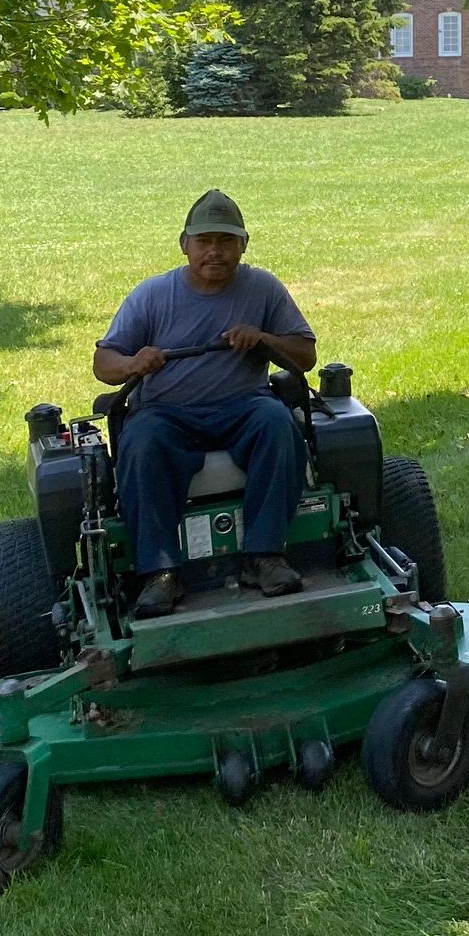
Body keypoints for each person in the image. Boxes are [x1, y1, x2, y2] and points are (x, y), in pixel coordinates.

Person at [94, 189, 318, 618]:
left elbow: (305, 356)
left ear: (243, 244)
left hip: (243, 405)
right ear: (185, 245)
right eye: (204, 242)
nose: (215, 252)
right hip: (167, 412)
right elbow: (104, 362)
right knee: (141, 442)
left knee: (277, 424)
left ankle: (264, 555)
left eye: (226, 241)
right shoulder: (152, 295)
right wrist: (133, 363)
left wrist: (264, 339)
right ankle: (159, 572)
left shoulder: (263, 287)